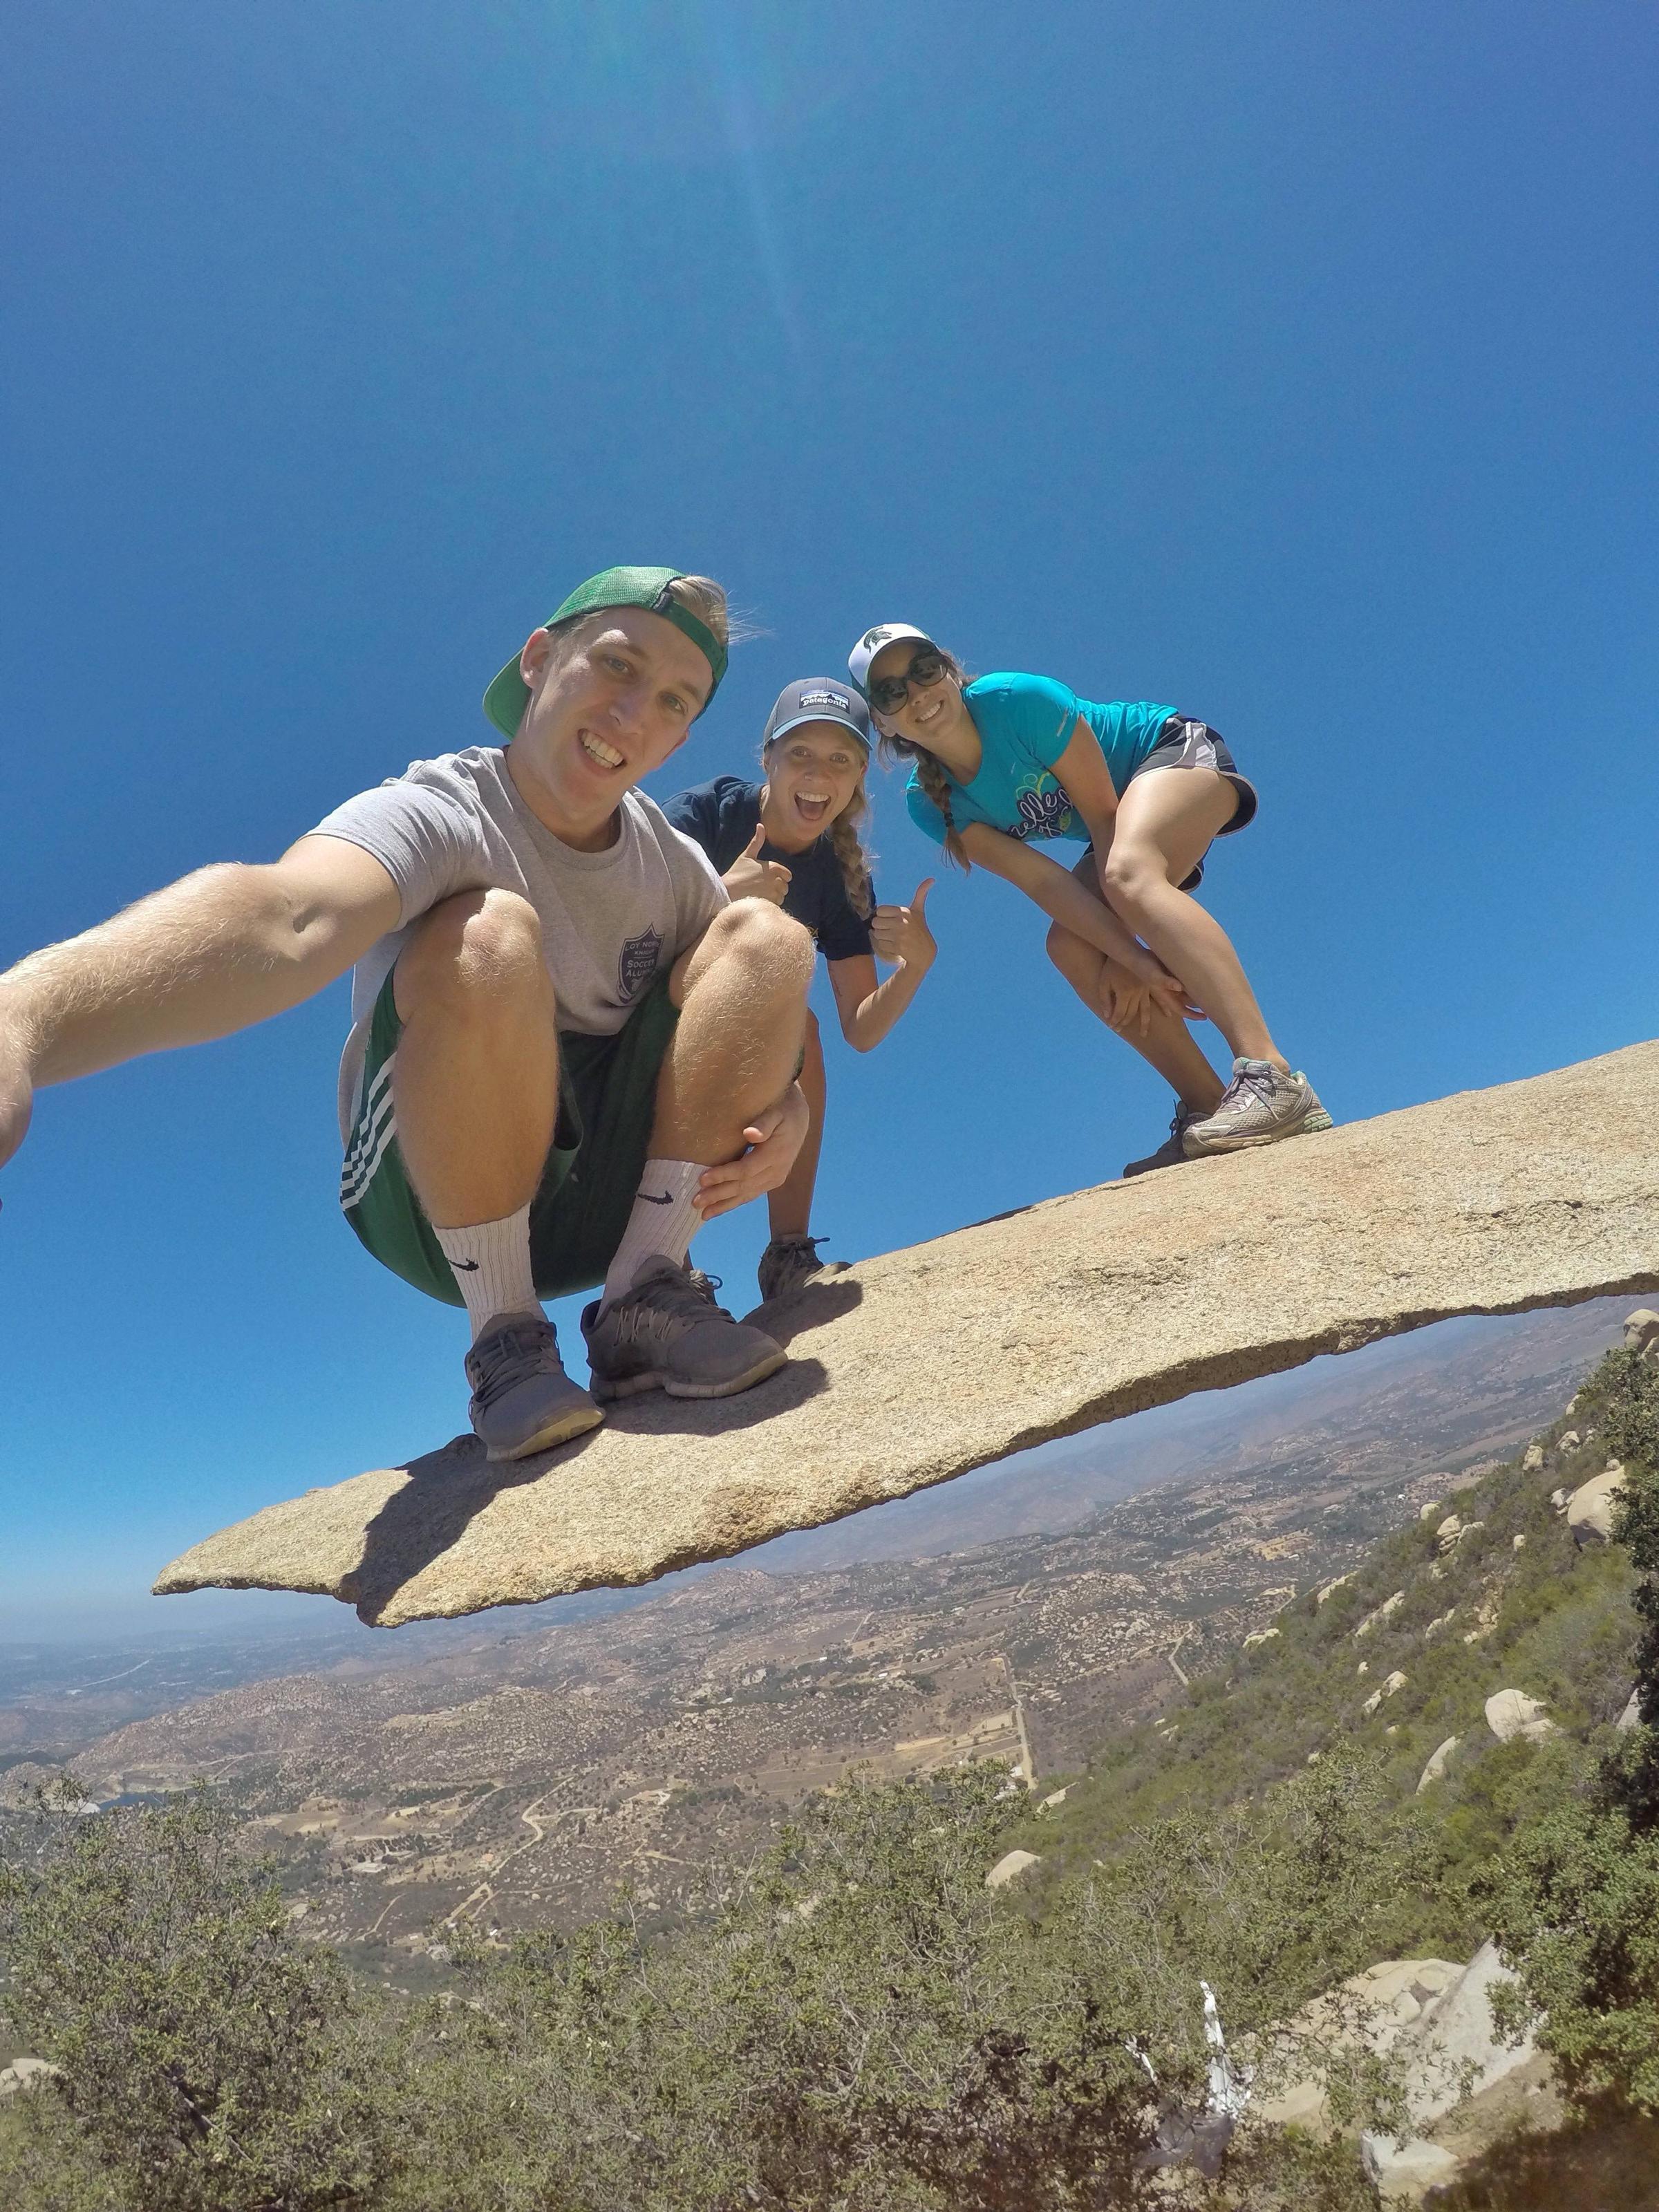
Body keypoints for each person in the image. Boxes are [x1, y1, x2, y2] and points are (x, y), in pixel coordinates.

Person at [0, 566, 818, 1463]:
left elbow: (754, 1005)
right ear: (540, 660)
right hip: (435, 1204)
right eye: (617, 666)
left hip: (614, 1206)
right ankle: (505, 1335)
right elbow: (289, 917)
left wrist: (792, 1112)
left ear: (681, 737)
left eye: (672, 700)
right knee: (487, 931)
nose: (635, 714)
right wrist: (23, 1014)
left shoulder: (668, 866)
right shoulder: (443, 809)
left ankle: (643, 1299)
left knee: (772, 937)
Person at [847, 624, 1329, 1171]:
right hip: (1121, 838)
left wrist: (1132, 946)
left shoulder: (1019, 701)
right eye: (890, 691)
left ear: (949, 669)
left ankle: (1270, 1075)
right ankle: (1206, 1107)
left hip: (1173, 754)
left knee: (1125, 872)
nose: (915, 693)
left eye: (924, 669)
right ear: (882, 721)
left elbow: (1104, 819)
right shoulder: (934, 808)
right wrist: (1132, 960)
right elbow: (1046, 884)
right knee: (1069, 947)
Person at [664, 677, 936, 1301]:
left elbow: (861, 1029)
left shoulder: (842, 884)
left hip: (728, 1045)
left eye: (839, 759)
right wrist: (717, 898)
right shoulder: (705, 816)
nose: (819, 775)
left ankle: (788, 1253)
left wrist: (914, 966)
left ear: (859, 775)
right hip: (646, 1026)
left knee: (805, 1032)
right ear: (768, 759)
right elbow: (620, 935)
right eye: (801, 754)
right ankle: (668, 1268)